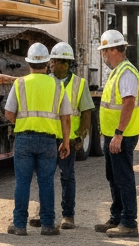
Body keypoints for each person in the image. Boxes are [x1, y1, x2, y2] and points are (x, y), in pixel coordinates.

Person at [4, 42, 72, 236]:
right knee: (47, 183)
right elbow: (65, 116)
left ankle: (19, 225)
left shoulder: (20, 83)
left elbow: (9, 113)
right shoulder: (57, 85)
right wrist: (65, 142)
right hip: (48, 141)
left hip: (24, 139)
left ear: (28, 63)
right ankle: (48, 225)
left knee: (22, 182)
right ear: (47, 63)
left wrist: (23, 122)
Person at [28, 41, 94, 230]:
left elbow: (87, 112)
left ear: (68, 64)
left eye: (63, 62)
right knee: (45, 177)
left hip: (69, 140)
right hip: (48, 138)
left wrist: (81, 137)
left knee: (67, 176)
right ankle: (44, 214)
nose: (59, 65)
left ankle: (68, 215)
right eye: (57, 61)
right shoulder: (45, 80)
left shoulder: (79, 84)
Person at [94, 29, 139, 238]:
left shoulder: (126, 72)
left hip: (121, 136)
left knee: (123, 178)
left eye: (105, 51)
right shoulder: (117, 71)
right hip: (113, 135)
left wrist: (118, 134)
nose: (103, 56)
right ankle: (117, 217)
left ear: (115, 50)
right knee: (114, 177)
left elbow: (128, 102)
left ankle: (128, 222)